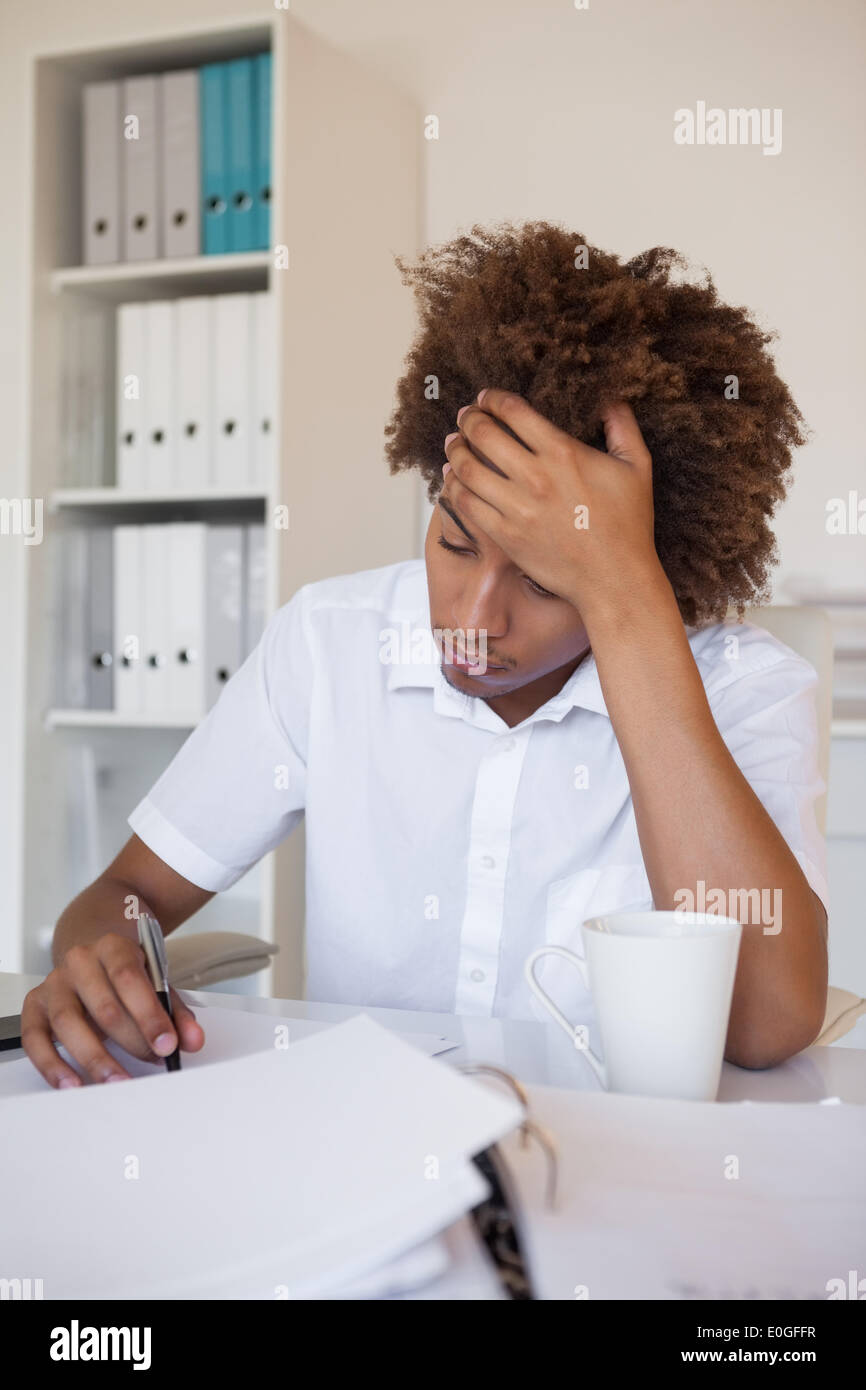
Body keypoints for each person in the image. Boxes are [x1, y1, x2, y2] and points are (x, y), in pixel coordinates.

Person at [21, 221, 828, 1088]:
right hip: (364, 1147)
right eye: (453, 541)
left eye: (548, 581)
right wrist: (100, 964)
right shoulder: (331, 642)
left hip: (617, 1164)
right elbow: (121, 897)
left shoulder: (748, 687)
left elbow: (766, 1022)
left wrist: (628, 604)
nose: (475, 618)